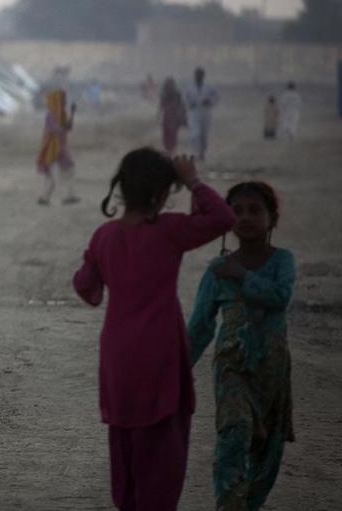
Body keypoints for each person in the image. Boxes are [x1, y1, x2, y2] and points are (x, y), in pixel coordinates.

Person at [72, 148, 235, 511]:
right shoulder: (171, 231)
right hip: (159, 352)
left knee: (124, 442)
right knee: (161, 450)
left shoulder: (105, 235)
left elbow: (87, 288)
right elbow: (223, 217)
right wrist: (192, 180)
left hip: (117, 356)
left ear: (123, 188)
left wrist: (95, 266)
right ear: (162, 194)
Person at [187, 182, 295, 511]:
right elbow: (200, 327)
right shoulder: (218, 271)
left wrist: (243, 275)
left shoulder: (282, 261)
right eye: (236, 210)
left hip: (272, 370)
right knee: (234, 433)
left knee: (268, 451)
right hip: (232, 365)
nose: (245, 217)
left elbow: (280, 298)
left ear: (272, 219)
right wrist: (177, 368)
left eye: (255, 210)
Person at [37, 88, 78, 205]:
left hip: (60, 148)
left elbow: (68, 127)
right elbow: (58, 130)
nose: (64, 102)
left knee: (64, 172)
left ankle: (46, 198)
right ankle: (63, 197)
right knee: (56, 175)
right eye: (62, 100)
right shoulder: (50, 115)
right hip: (52, 149)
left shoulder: (62, 114)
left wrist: (72, 113)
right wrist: (64, 128)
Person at [184, 67, 219, 161]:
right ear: (194, 76)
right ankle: (197, 152)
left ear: (203, 76)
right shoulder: (189, 87)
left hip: (206, 113)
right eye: (196, 75)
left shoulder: (210, 87)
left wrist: (210, 101)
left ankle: (202, 152)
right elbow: (184, 99)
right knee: (196, 133)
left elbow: (216, 97)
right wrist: (189, 104)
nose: (198, 76)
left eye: (200, 75)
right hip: (193, 113)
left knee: (204, 135)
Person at [159, 77, 187, 154]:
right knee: (166, 134)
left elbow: (181, 106)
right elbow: (161, 106)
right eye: (168, 85)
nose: (169, 86)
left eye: (171, 84)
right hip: (166, 116)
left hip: (175, 117)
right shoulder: (163, 94)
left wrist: (183, 117)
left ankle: (171, 150)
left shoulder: (177, 94)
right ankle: (167, 149)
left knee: (173, 134)